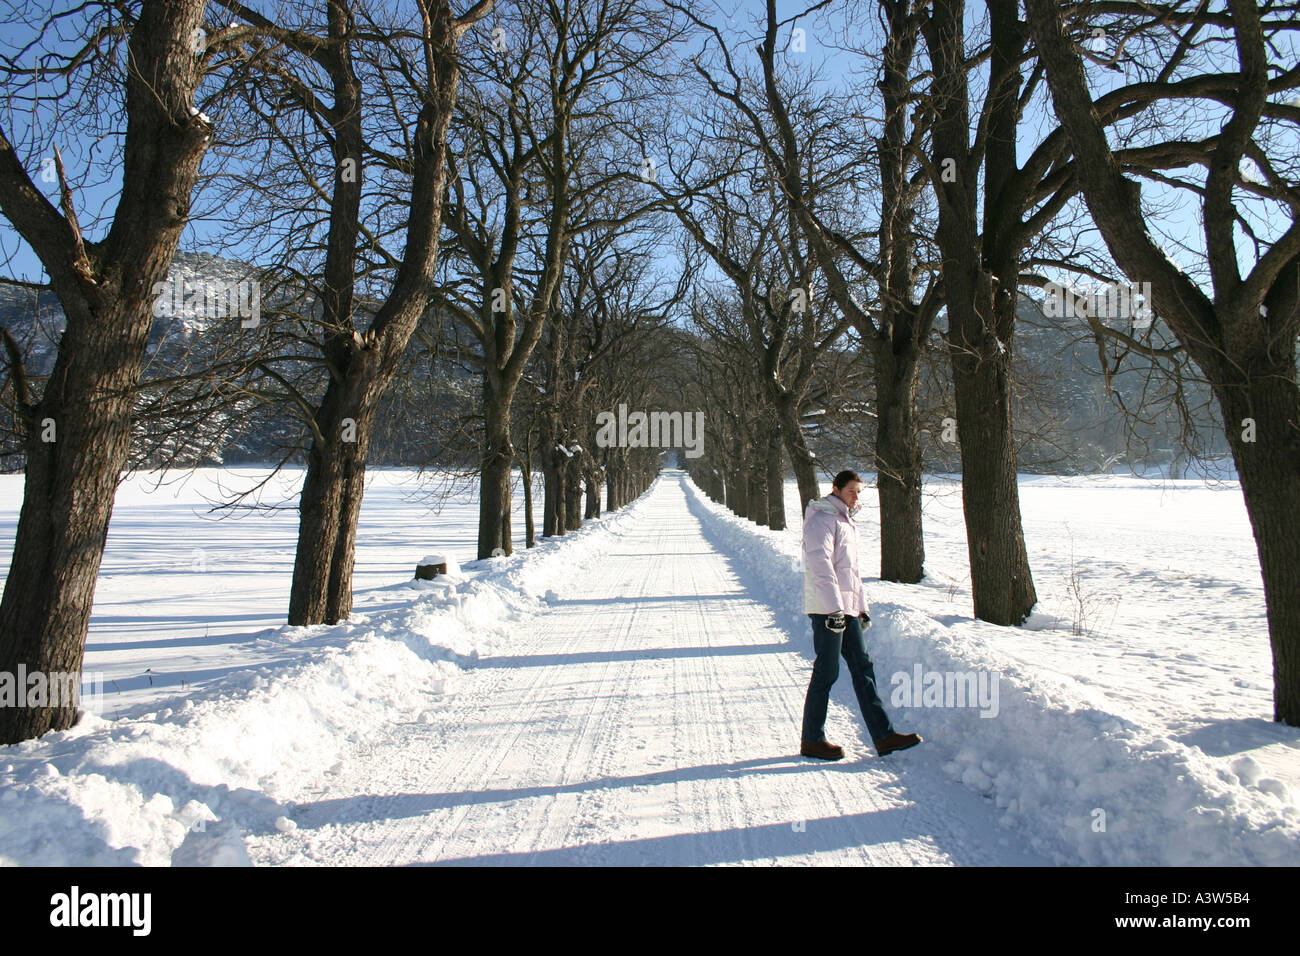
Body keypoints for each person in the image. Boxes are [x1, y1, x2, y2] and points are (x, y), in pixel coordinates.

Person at [800, 469, 922, 760]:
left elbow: (851, 574)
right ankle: (812, 740)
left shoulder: (845, 521)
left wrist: (861, 608)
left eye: (859, 491)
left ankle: (884, 736)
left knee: (863, 668)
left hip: (847, 609)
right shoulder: (822, 519)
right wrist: (833, 610)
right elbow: (821, 568)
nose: (856, 496)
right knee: (827, 672)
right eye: (851, 490)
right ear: (836, 489)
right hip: (828, 609)